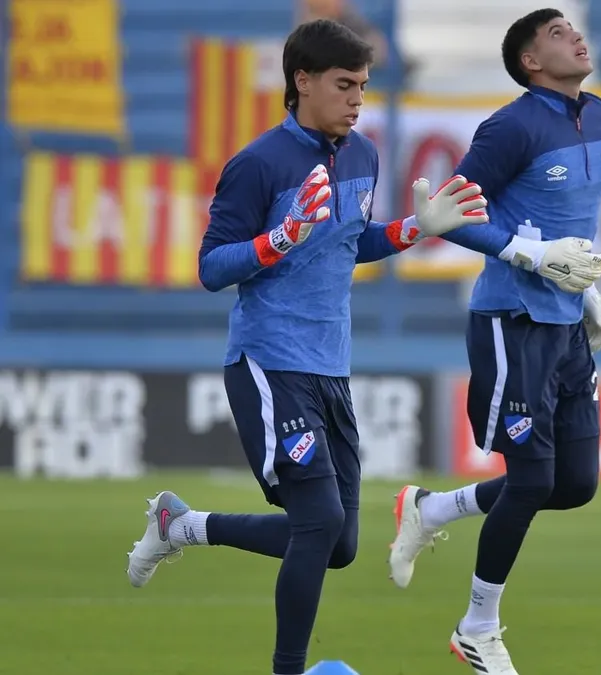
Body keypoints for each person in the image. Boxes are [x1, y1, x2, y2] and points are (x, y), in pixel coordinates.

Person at [123, 20, 494, 675]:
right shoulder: (259, 164)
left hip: (331, 366)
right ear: (302, 81)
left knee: (339, 541)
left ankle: (178, 526)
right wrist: (277, 239)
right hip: (268, 361)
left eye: (363, 86)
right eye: (344, 84)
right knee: (319, 520)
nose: (357, 99)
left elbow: (353, 243)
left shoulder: (363, 156)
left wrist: (413, 228)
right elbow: (213, 268)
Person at [385, 9, 601, 675]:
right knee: (532, 476)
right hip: (510, 319)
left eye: (572, 26)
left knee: (574, 484)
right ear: (531, 64)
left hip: (564, 322)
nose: (573, 35)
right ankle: (477, 628)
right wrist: (532, 255)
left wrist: (586, 288)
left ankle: (432, 508)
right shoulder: (511, 126)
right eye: (555, 34)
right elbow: (446, 217)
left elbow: (572, 221)